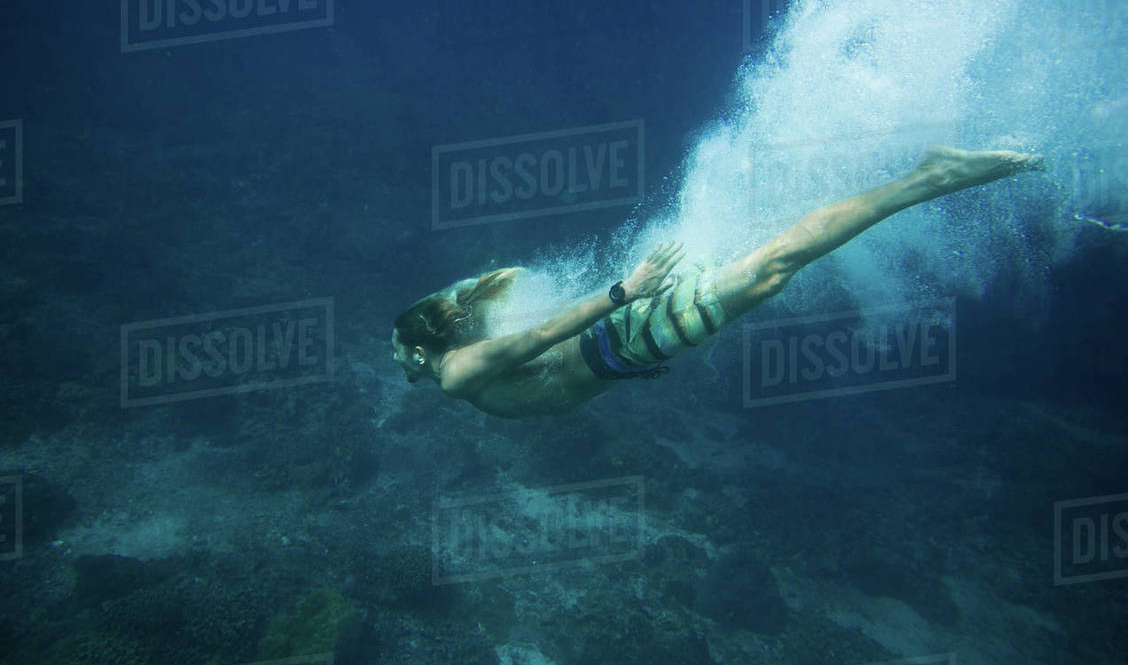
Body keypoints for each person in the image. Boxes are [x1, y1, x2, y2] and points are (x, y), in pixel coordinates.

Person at [392, 146, 1044, 418]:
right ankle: (899, 180)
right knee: (763, 264)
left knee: (771, 269)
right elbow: (535, 329)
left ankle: (927, 179)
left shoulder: (454, 373)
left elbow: (537, 337)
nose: (401, 366)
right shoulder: (465, 356)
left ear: (424, 346)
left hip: (625, 337)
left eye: (401, 354)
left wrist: (627, 290)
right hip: (623, 344)